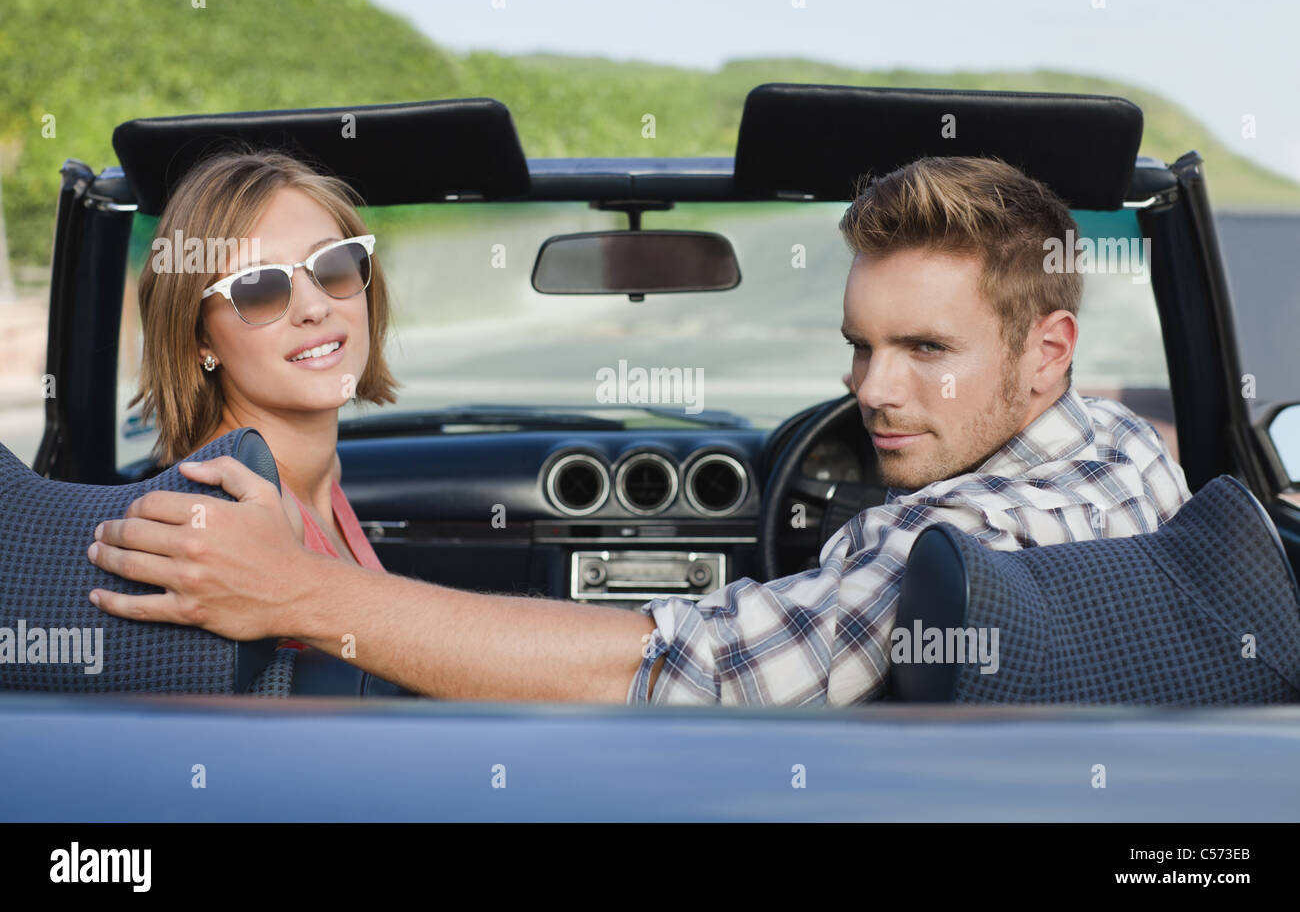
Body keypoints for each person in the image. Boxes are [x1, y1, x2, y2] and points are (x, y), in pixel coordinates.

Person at [87, 155, 1191, 704]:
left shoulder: (945, 552)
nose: (871, 389)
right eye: (858, 345)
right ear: (196, 330)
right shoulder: (1132, 453)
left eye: (925, 351)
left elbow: (684, 662)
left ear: (1048, 350)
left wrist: (307, 594)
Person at [127, 149, 398, 653]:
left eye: (334, 265)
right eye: (257, 289)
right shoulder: (228, 518)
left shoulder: (317, 475)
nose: (314, 307)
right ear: (199, 340)